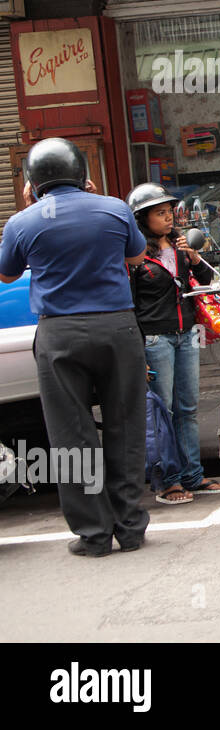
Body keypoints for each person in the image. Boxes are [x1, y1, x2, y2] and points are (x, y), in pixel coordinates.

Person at [0, 139, 151, 556]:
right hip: (117, 328)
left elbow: (8, 272)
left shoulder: (21, 222)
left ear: (32, 183)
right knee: (126, 426)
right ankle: (131, 528)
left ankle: (94, 534)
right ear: (85, 175)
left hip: (59, 334)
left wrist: (30, 208)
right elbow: (136, 257)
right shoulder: (115, 208)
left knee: (70, 435)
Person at [126, 182, 220, 505]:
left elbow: (205, 283)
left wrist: (194, 257)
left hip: (187, 334)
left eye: (169, 212)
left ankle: (193, 476)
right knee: (162, 410)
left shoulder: (180, 247)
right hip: (155, 338)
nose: (168, 218)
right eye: (160, 213)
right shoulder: (135, 256)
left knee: (188, 408)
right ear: (143, 219)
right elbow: (130, 303)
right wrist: (136, 349)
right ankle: (167, 481)